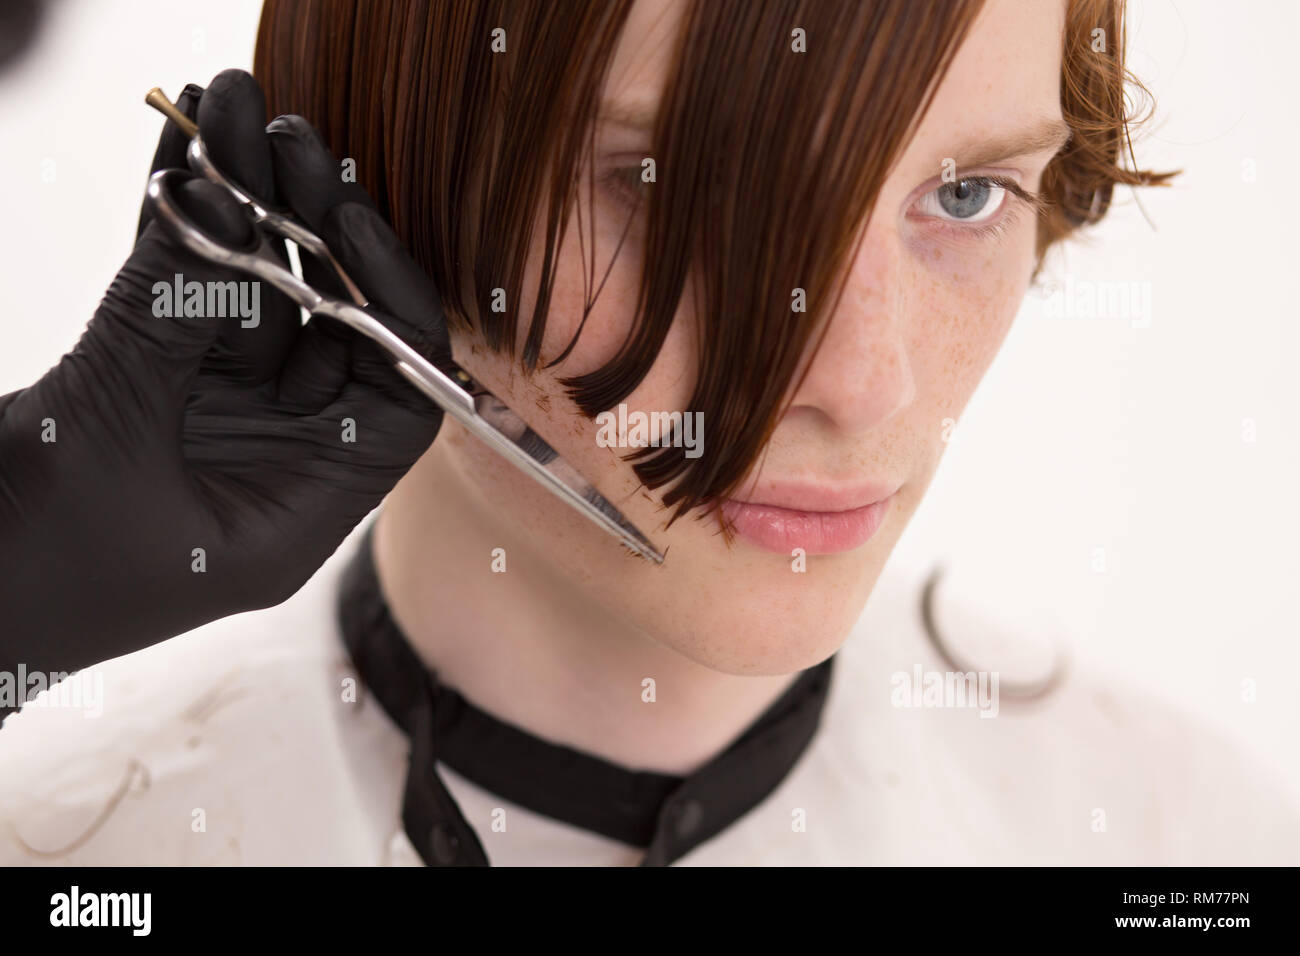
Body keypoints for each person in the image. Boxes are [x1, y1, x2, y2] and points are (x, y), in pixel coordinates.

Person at [1, 0, 1295, 865]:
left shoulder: (1184, 838)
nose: (868, 385)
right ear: (352, 184)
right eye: (663, 188)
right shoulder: (72, 849)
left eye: (966, 193)